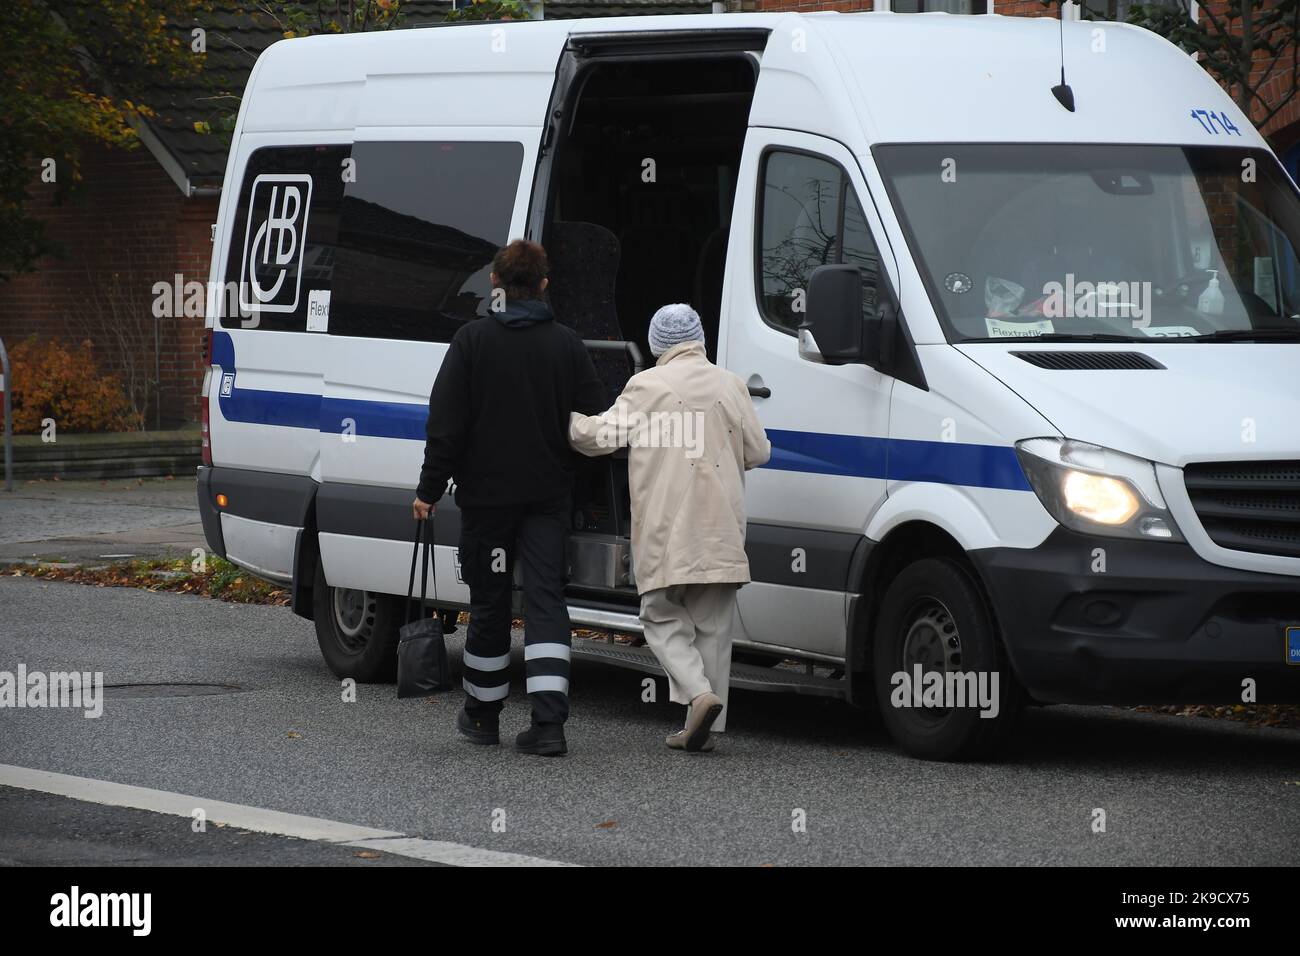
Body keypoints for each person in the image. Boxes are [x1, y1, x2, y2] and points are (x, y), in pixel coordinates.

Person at [413, 239, 606, 757]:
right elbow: (593, 423)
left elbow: (446, 426)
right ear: (543, 285)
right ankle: (549, 725)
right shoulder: (566, 345)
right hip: (547, 500)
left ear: (495, 282)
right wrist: (580, 487)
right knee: (546, 602)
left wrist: (429, 489)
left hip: (487, 502)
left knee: (490, 602)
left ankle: (482, 716)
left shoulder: (472, 341)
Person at [568, 303, 770, 752]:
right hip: (721, 528)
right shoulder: (731, 384)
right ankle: (706, 726)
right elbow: (758, 453)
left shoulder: (647, 385)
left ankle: (698, 696)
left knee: (659, 615)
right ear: (699, 339)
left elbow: (599, 438)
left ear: (658, 344)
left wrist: (563, 418)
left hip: (667, 528)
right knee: (713, 629)